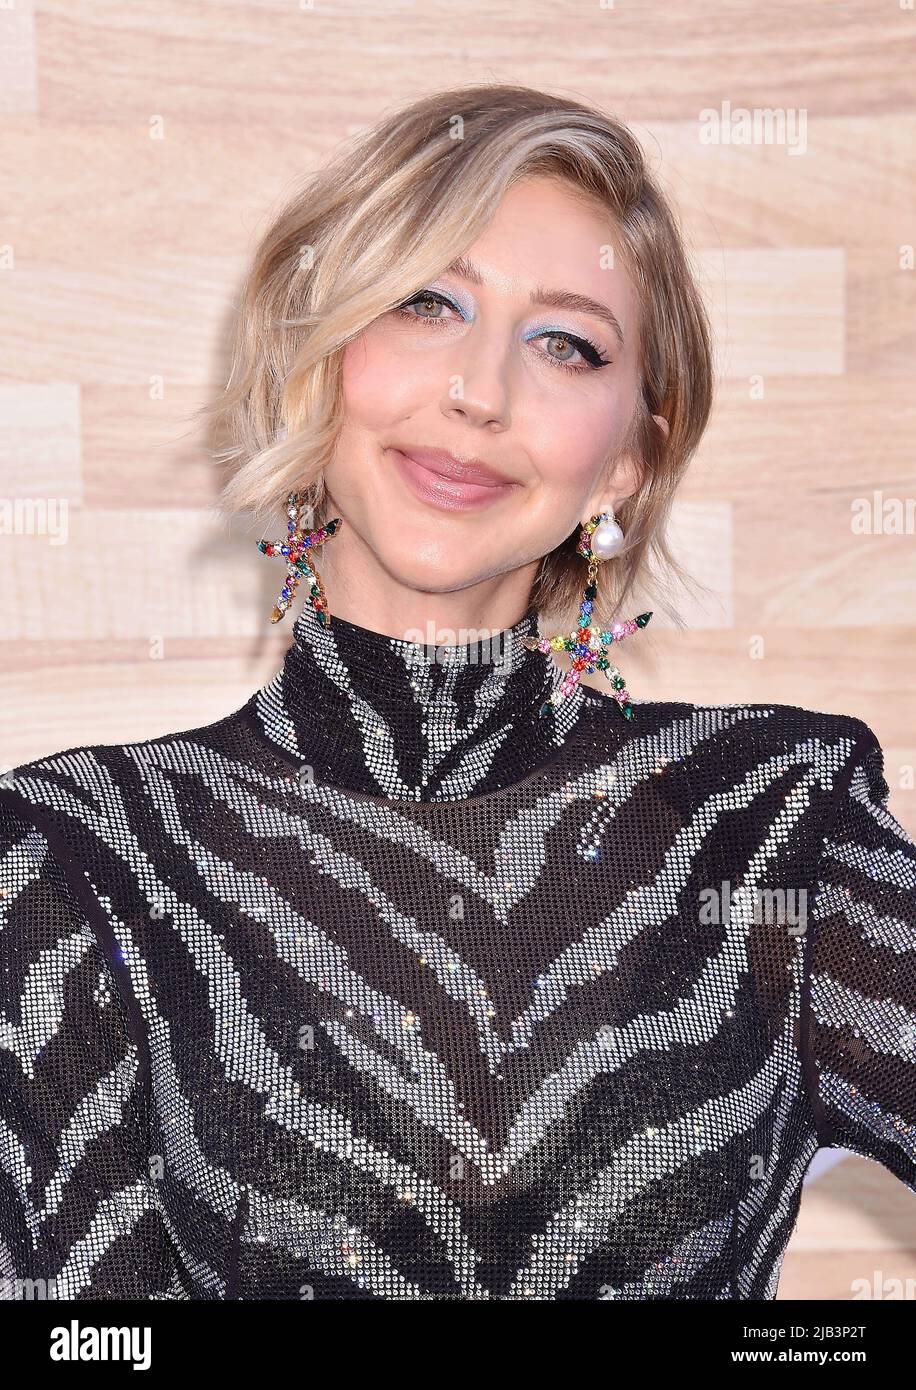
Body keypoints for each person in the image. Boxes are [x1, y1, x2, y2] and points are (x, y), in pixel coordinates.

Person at [1, 83, 913, 1302]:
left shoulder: (770, 824)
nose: (480, 391)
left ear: (629, 458)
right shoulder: (82, 852)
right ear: (315, 355)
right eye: (427, 301)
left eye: (566, 343)